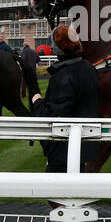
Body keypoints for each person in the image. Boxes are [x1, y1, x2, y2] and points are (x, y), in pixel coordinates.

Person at [30, 25, 99, 172]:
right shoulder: (89, 67)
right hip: (85, 144)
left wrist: (37, 102)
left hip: (64, 148)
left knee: (55, 191)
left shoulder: (63, 75)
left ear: (56, 49)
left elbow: (52, 115)